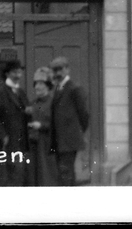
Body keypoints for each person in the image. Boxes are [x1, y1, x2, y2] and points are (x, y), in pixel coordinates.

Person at [0, 60, 31, 187]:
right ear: (7, 74)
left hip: (20, 141)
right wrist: (2, 134)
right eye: (15, 72)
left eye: (19, 72)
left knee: (18, 174)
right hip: (5, 142)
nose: (18, 75)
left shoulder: (21, 92)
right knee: (5, 176)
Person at [49, 56, 90, 186]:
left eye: (60, 69)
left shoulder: (74, 88)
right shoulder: (58, 88)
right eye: (55, 70)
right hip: (60, 139)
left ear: (68, 70)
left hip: (69, 139)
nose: (57, 73)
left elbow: (84, 114)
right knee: (65, 172)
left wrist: (76, 131)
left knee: (65, 172)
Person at [27, 69, 59, 187]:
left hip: (47, 146)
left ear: (48, 86)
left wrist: (41, 125)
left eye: (41, 84)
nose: (37, 87)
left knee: (47, 177)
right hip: (33, 145)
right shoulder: (31, 103)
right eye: (36, 84)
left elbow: (58, 124)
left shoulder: (54, 103)